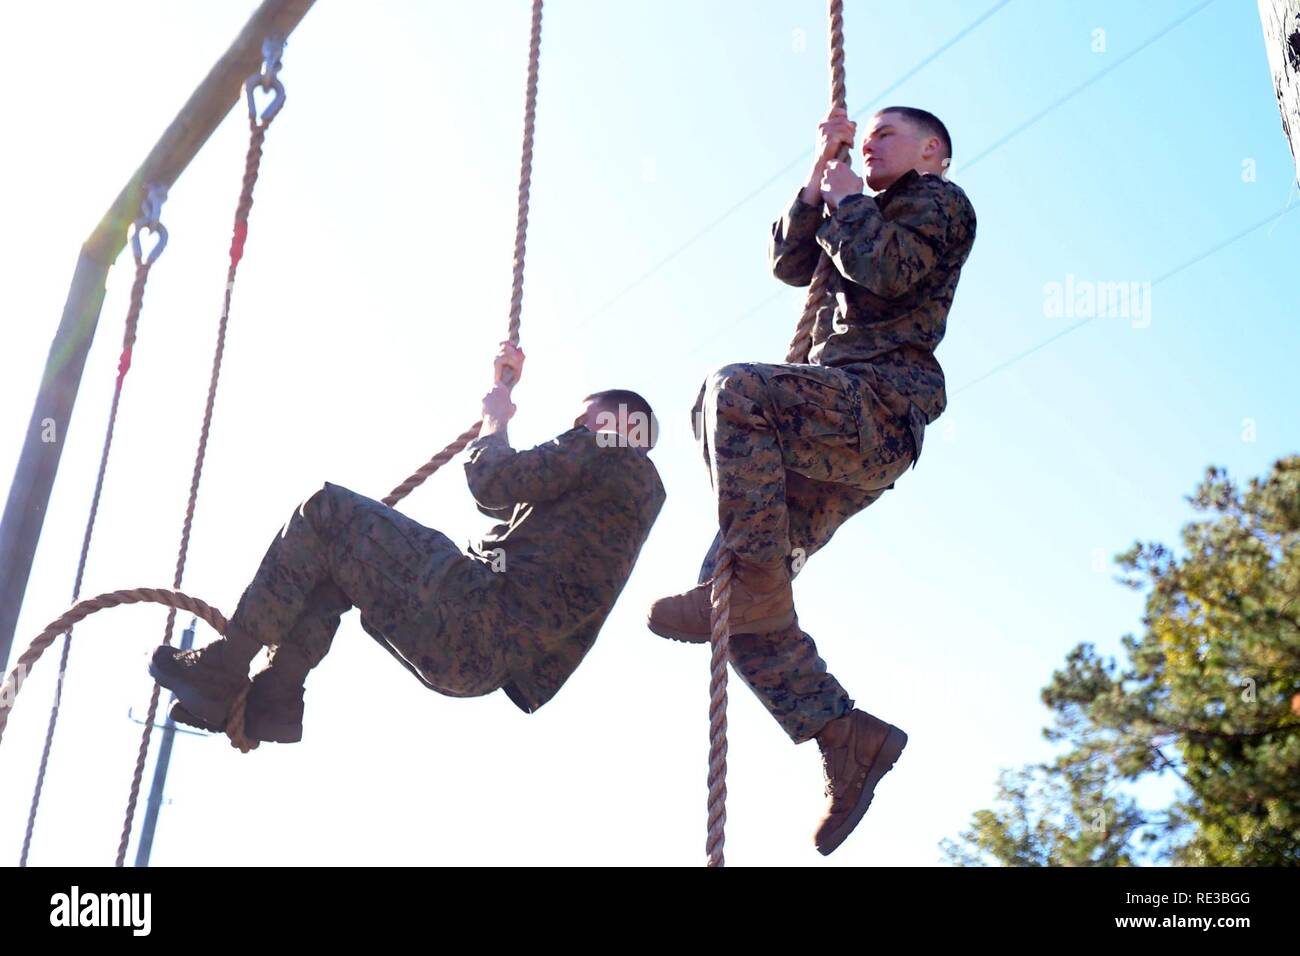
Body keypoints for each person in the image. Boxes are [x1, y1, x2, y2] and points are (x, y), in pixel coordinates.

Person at [647, 106, 978, 855]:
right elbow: (789, 263)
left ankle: (765, 582)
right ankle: (844, 736)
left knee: (731, 392)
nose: (871, 144)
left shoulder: (940, 203)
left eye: (886, 135)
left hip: (875, 408)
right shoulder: (852, 207)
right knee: (731, 596)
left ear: (934, 152)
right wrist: (818, 175)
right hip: (825, 432)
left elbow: (886, 269)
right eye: (867, 138)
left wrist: (851, 196)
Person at [150, 341, 666, 743]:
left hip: (474, 611)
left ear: (616, 422)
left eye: (580, 423)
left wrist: (496, 417)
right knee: (337, 562)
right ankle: (278, 696)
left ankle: (225, 665)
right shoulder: (625, 505)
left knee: (326, 512)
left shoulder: (607, 445)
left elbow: (492, 483)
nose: (572, 432)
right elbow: (520, 502)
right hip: (478, 664)